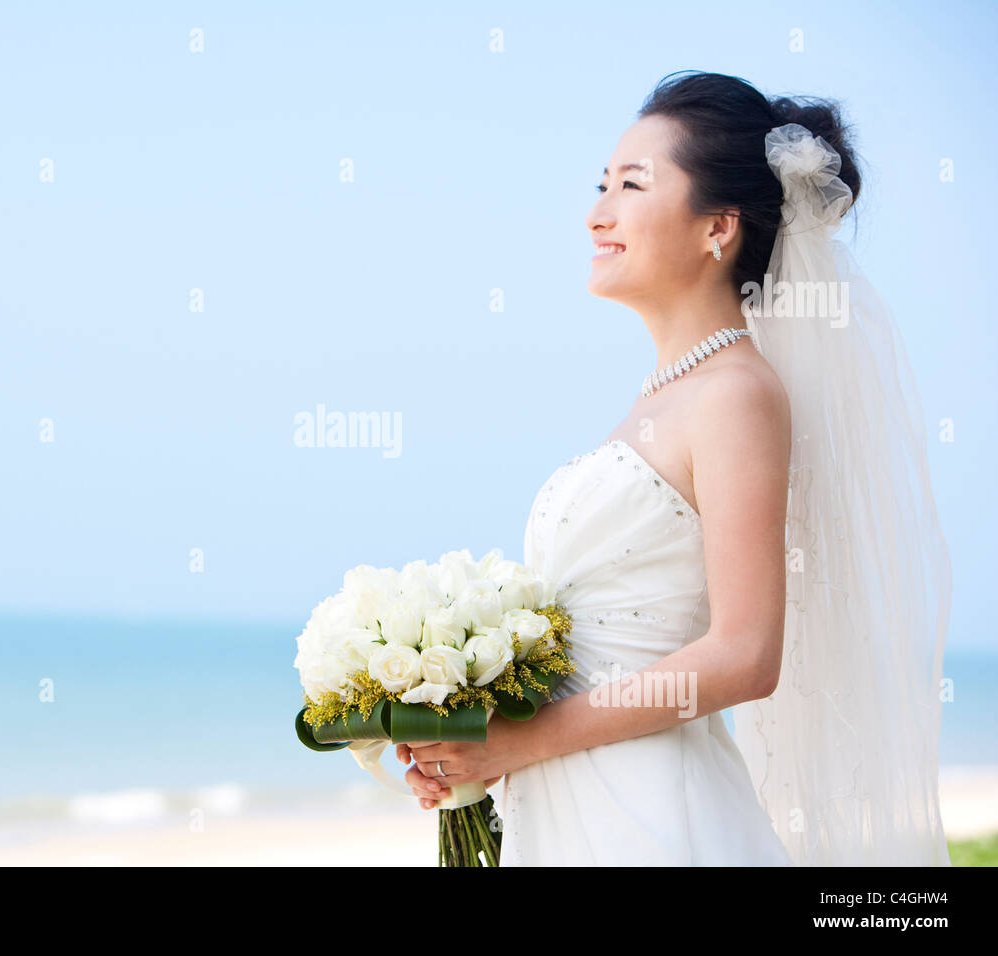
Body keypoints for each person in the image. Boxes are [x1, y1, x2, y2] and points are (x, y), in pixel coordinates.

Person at [396, 71, 952, 866]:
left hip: (650, 816)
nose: (597, 213)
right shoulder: (665, 394)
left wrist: (523, 742)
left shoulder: (737, 395)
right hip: (568, 800)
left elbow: (744, 654)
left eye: (630, 185)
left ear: (717, 228)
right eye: (600, 186)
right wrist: (469, 732)